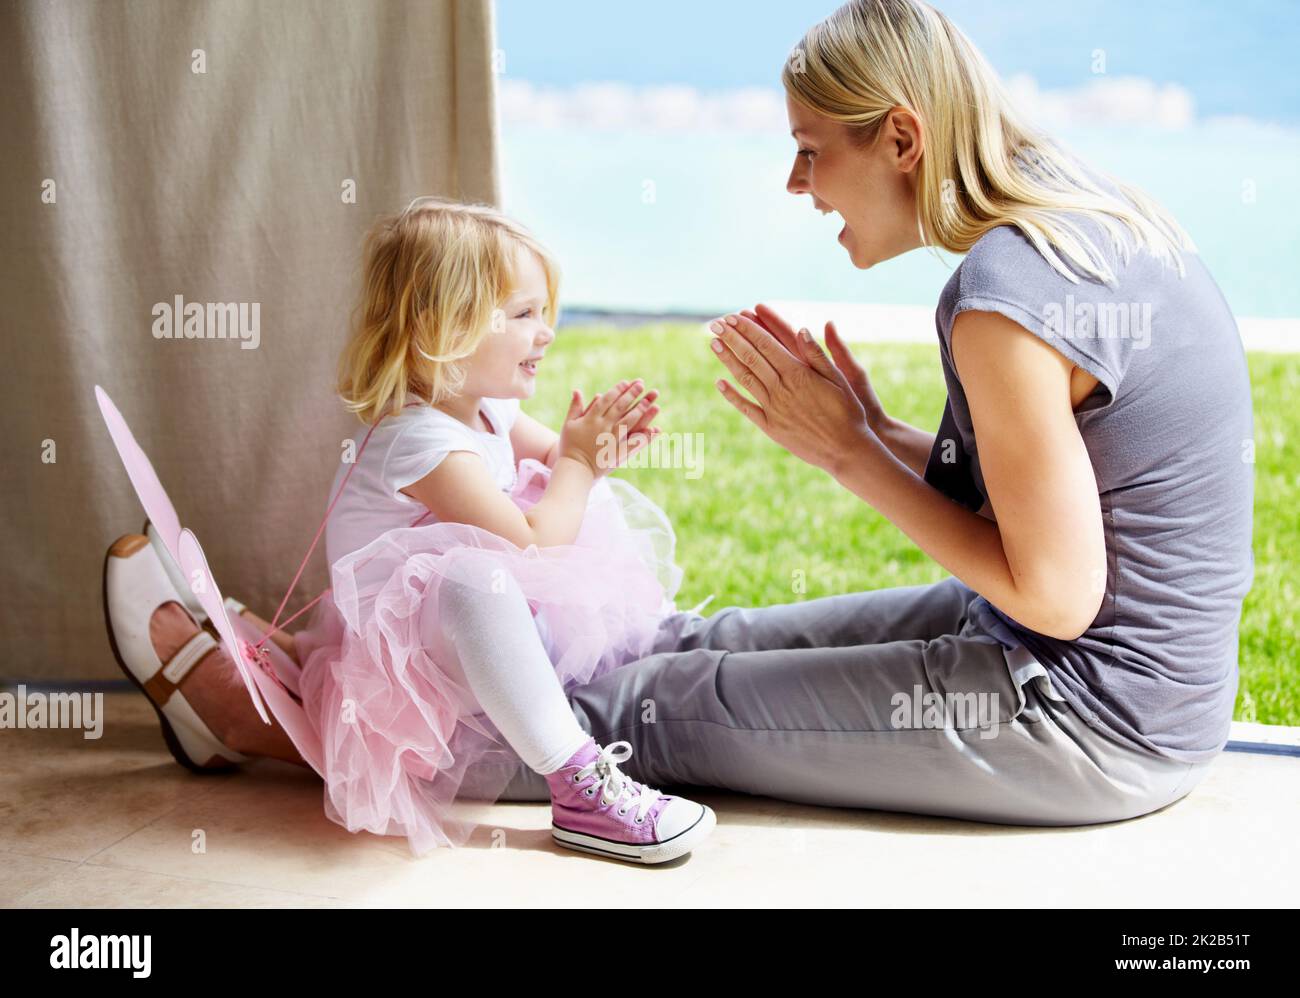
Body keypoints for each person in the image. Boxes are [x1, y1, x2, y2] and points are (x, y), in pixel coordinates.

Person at [105, 0, 1253, 846]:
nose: (797, 184)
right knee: (697, 641)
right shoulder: (1088, 213)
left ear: (901, 139)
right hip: (1105, 676)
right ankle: (344, 680)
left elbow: (1056, 592)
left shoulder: (1000, 297)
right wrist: (876, 425)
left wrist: (849, 452)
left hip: (1088, 713)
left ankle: (286, 728)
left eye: (813, 149)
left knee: (655, 704)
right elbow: (1041, 500)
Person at [105, 197, 717, 864]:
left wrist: (585, 452)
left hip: (477, 644)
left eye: (544, 312)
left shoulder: (487, 414)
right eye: (522, 315)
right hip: (415, 669)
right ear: (440, 328)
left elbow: (557, 479)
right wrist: (577, 460)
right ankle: (578, 788)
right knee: (475, 573)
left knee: (564, 494)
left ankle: (269, 645)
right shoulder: (419, 440)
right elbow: (533, 542)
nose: (545, 333)